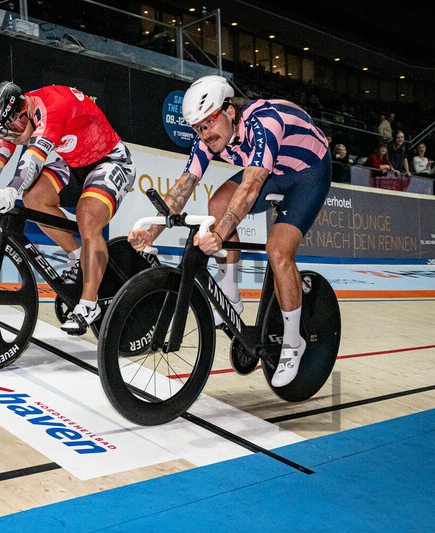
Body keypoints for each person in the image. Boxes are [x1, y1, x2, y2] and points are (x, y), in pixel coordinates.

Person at [128, 75, 331, 388]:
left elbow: (250, 188)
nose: (204, 134)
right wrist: (152, 231)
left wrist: (219, 235)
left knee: (278, 250)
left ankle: (293, 344)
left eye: (208, 124)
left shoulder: (263, 124)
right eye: (198, 128)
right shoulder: (208, 139)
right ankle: (232, 296)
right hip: (272, 171)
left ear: (229, 112)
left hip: (308, 174)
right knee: (217, 203)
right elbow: (184, 186)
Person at [0, 81, 135, 335]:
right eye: (7, 131)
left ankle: (89, 304)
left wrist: (11, 190)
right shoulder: (16, 116)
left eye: (16, 127)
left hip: (113, 161)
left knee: (87, 216)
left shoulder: (52, 107)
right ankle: (77, 255)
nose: (14, 135)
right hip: (77, 165)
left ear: (23, 111)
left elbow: (32, 158)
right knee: (34, 198)